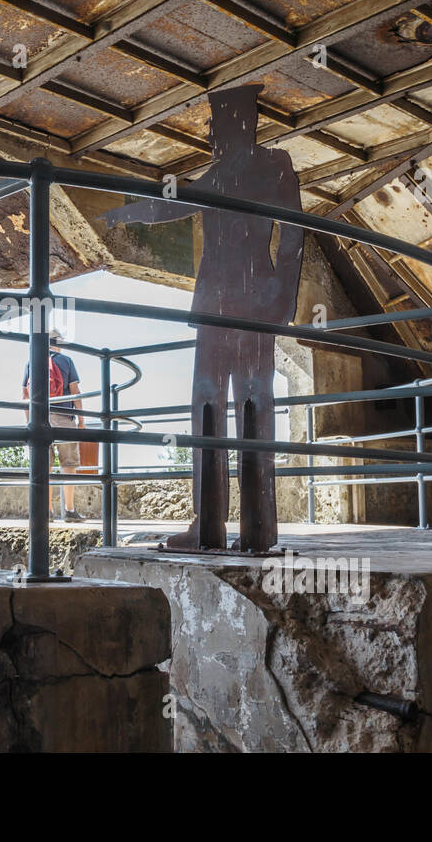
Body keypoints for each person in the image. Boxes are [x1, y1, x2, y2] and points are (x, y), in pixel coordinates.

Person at [101, 84, 303, 553]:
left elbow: (294, 234)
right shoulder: (218, 174)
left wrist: (282, 299)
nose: (211, 135)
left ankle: (254, 527)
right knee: (212, 408)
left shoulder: (273, 166)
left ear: (240, 122)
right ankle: (212, 525)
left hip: (250, 304)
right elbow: (171, 204)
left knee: (251, 407)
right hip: (218, 307)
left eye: (217, 125)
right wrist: (123, 212)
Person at [22, 326, 86, 522]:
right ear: (57, 342)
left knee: (44, 467)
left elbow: (25, 396)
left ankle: (46, 511)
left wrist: (29, 422)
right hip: (64, 418)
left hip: (40, 418)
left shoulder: (31, 363)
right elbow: (75, 391)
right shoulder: (67, 361)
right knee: (69, 465)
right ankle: (69, 510)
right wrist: (81, 420)